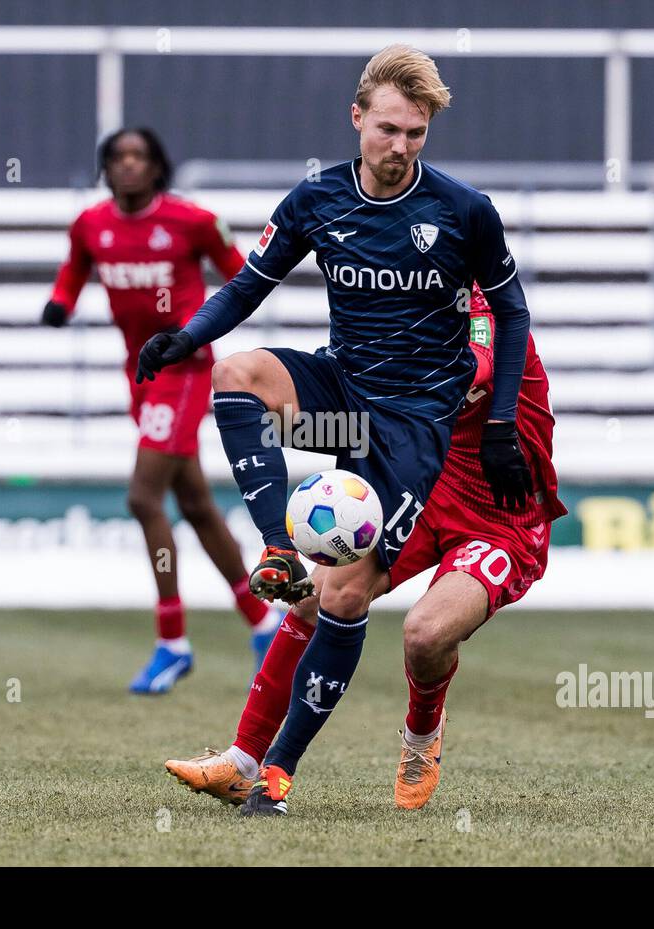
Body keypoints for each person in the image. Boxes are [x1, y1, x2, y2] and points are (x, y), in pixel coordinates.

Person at [138, 45, 536, 812]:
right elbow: (249, 285)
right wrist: (188, 339)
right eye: (389, 129)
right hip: (343, 396)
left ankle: (274, 774)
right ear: (356, 118)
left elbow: (511, 312)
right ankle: (278, 547)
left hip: (412, 427)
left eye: (416, 133)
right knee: (236, 374)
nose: (401, 147)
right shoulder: (319, 199)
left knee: (344, 596)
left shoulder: (463, 210)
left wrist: (502, 423)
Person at [165, 288, 567, 813]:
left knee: (424, 636)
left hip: (498, 518)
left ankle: (423, 735)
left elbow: (475, 365)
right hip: (418, 488)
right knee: (320, 596)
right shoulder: (391, 294)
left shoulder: (481, 310)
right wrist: (281, 416)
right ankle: (246, 763)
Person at [42, 127, 281, 695]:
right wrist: (60, 301)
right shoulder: (91, 225)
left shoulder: (192, 221)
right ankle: (264, 621)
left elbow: (243, 275)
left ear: (156, 167)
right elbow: (77, 265)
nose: (127, 165)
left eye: (138, 156)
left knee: (142, 497)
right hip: (141, 375)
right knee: (196, 505)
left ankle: (172, 641)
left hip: (185, 368)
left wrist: (205, 320)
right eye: (117, 158)